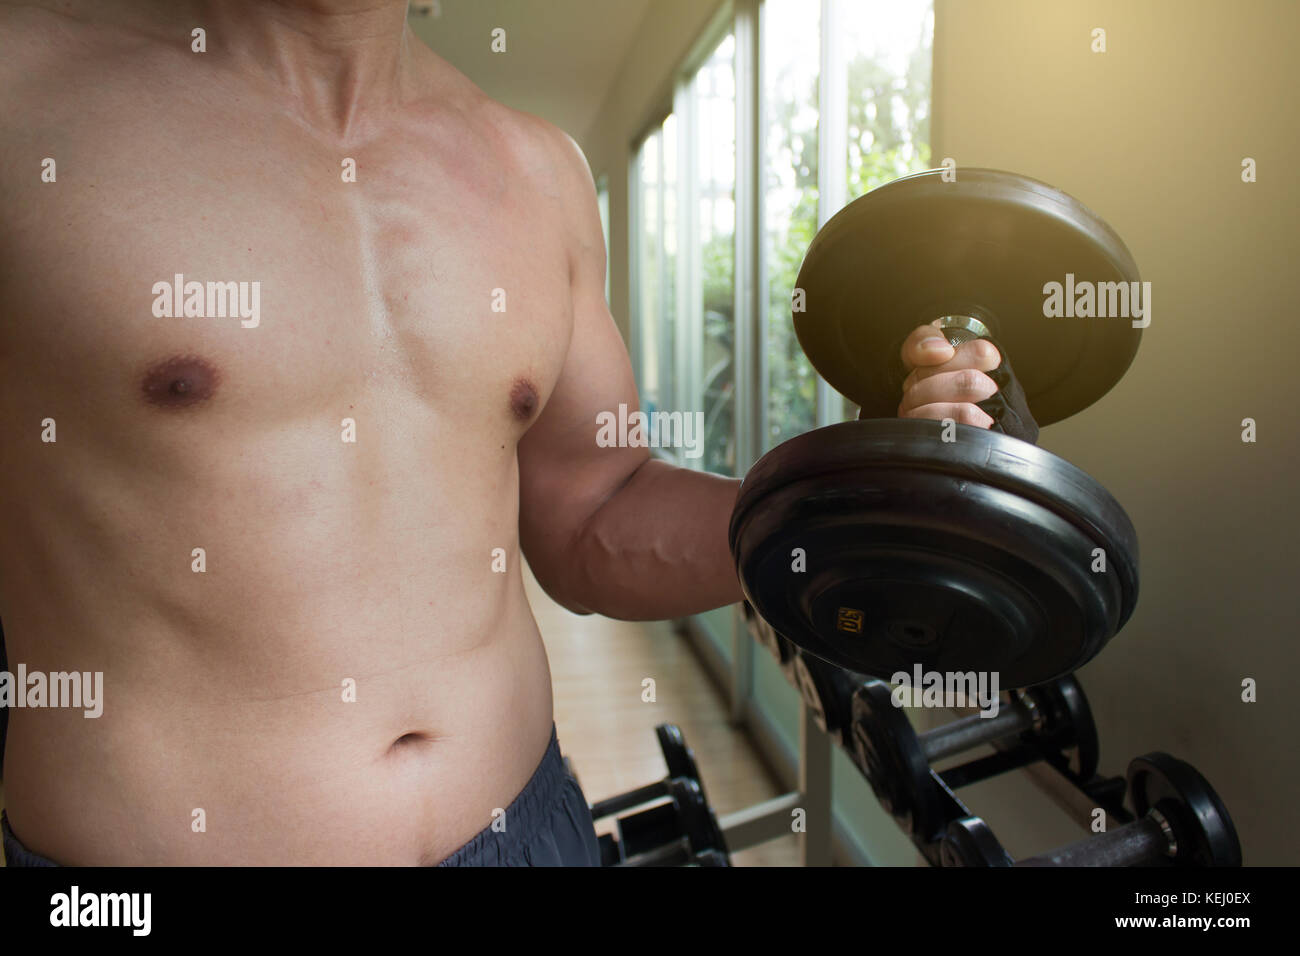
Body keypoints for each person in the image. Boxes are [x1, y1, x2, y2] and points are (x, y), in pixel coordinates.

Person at [0, 0, 1008, 866]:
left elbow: (595, 510)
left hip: (523, 829)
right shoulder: (26, 89)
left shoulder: (539, 172)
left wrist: (852, 494)